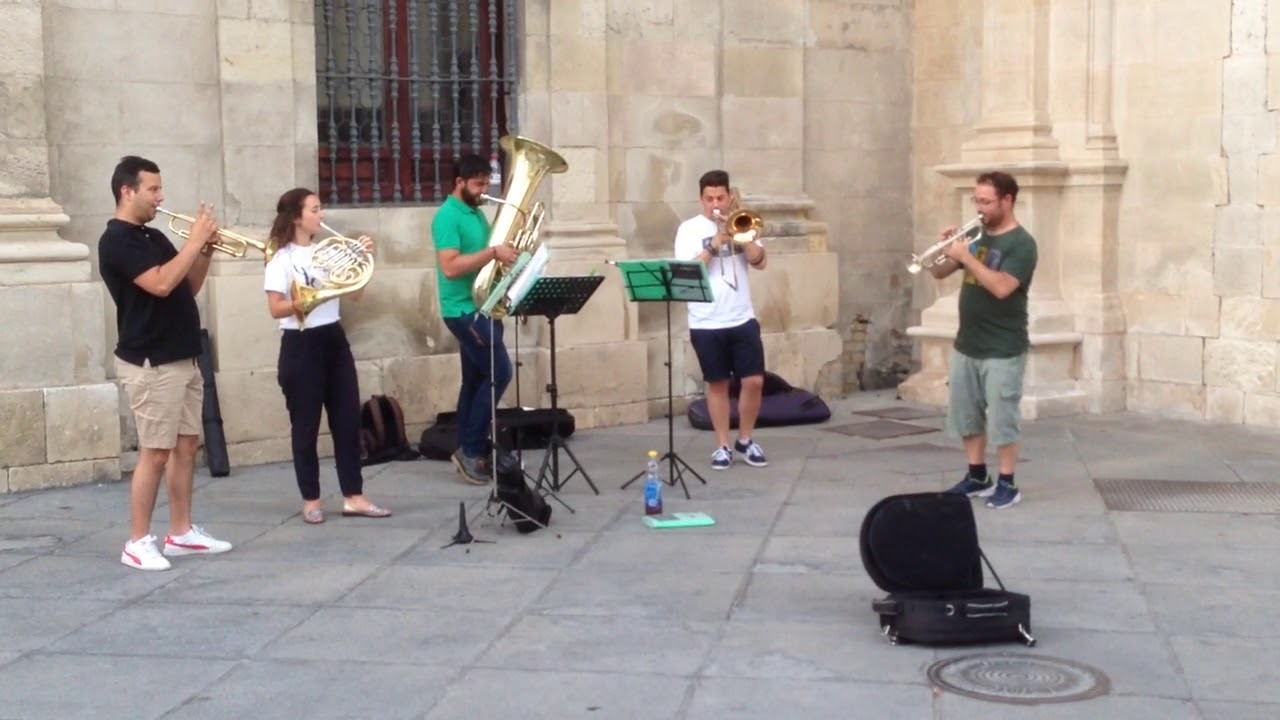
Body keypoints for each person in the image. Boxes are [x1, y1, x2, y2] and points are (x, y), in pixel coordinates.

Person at [98, 155, 234, 571]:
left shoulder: (153, 237)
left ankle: (181, 532)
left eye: (160, 188)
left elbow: (184, 285)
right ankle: (137, 541)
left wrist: (205, 252)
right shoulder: (116, 240)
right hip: (151, 360)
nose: (161, 196)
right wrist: (194, 240)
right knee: (155, 452)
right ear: (128, 191)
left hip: (182, 354)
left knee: (186, 446)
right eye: (153, 189)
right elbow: (158, 284)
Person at [263, 188, 391, 523]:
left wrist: (361, 259)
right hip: (300, 343)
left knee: (347, 420)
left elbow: (357, 292)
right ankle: (311, 500)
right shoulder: (281, 259)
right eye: (315, 209)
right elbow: (276, 308)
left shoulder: (325, 252)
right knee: (305, 427)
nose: (322, 215)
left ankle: (354, 496)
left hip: (333, 338)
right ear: (296, 217)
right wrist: (304, 302)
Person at [933, 171, 1038, 510]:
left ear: (1007, 200)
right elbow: (938, 273)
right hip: (968, 343)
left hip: (1003, 346)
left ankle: (1008, 482)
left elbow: (1002, 287)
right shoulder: (976, 236)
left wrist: (966, 258)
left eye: (986, 201)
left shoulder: (1022, 244)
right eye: (976, 200)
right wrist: (948, 250)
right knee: (967, 414)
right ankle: (977, 476)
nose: (979, 208)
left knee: (1002, 417)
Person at [674, 169, 769, 471]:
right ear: (700, 199)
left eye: (720, 197)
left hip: (742, 316)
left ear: (729, 197)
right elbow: (687, 272)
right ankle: (723, 446)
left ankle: (745, 439)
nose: (715, 204)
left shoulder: (742, 222)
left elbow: (761, 262)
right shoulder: (688, 230)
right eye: (709, 198)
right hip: (706, 320)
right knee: (717, 384)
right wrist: (714, 244)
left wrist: (743, 238)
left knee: (753, 381)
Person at [432, 154, 519, 484]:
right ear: (459, 183)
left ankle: (468, 448)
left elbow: (485, 258)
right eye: (478, 184)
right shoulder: (446, 217)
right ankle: (471, 449)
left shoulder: (476, 214)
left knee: (475, 380)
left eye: (486, 183)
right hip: (463, 310)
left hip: (483, 306)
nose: (484, 190)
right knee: (501, 373)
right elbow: (451, 267)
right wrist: (494, 253)